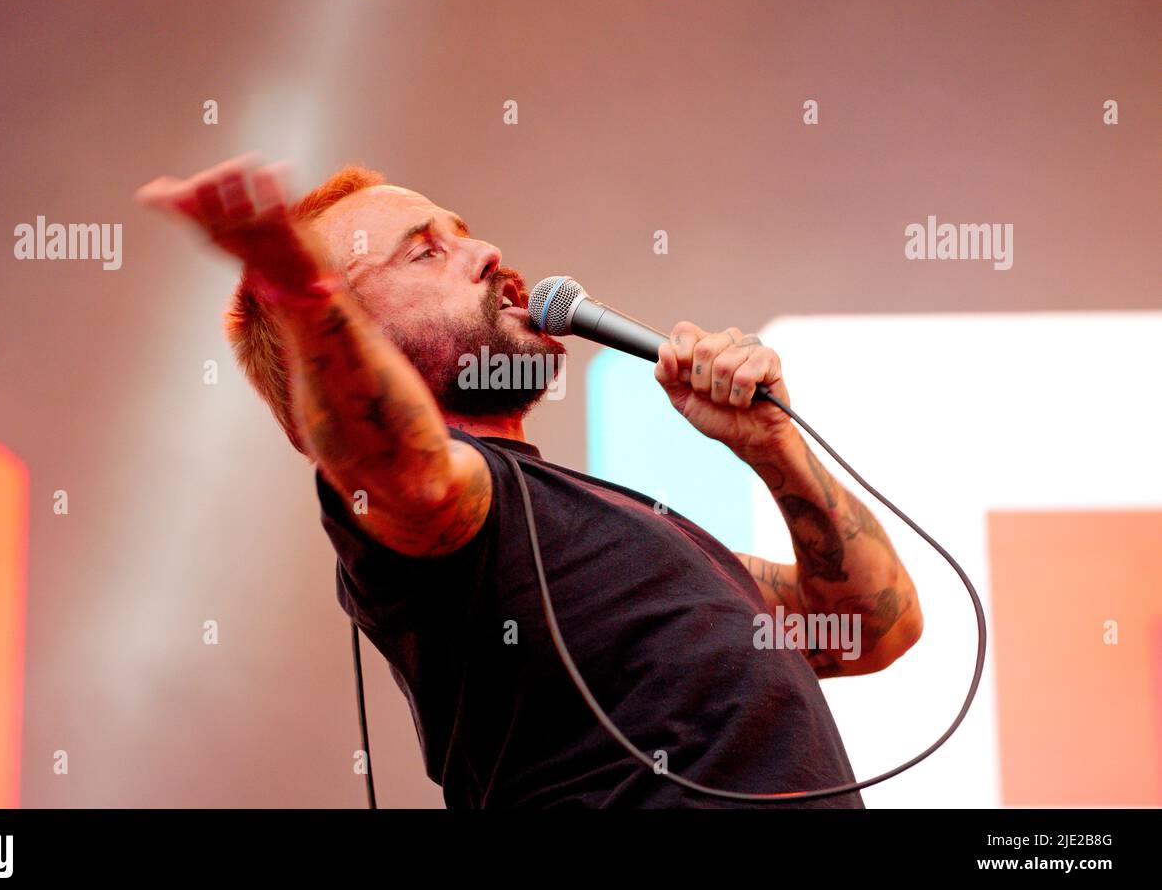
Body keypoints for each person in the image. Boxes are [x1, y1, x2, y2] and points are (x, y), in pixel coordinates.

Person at [136, 155, 924, 808]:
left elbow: (868, 626)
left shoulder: (610, 523)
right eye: (425, 251)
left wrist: (772, 448)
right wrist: (300, 295)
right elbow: (395, 464)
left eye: (465, 235)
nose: (489, 256)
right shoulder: (450, 516)